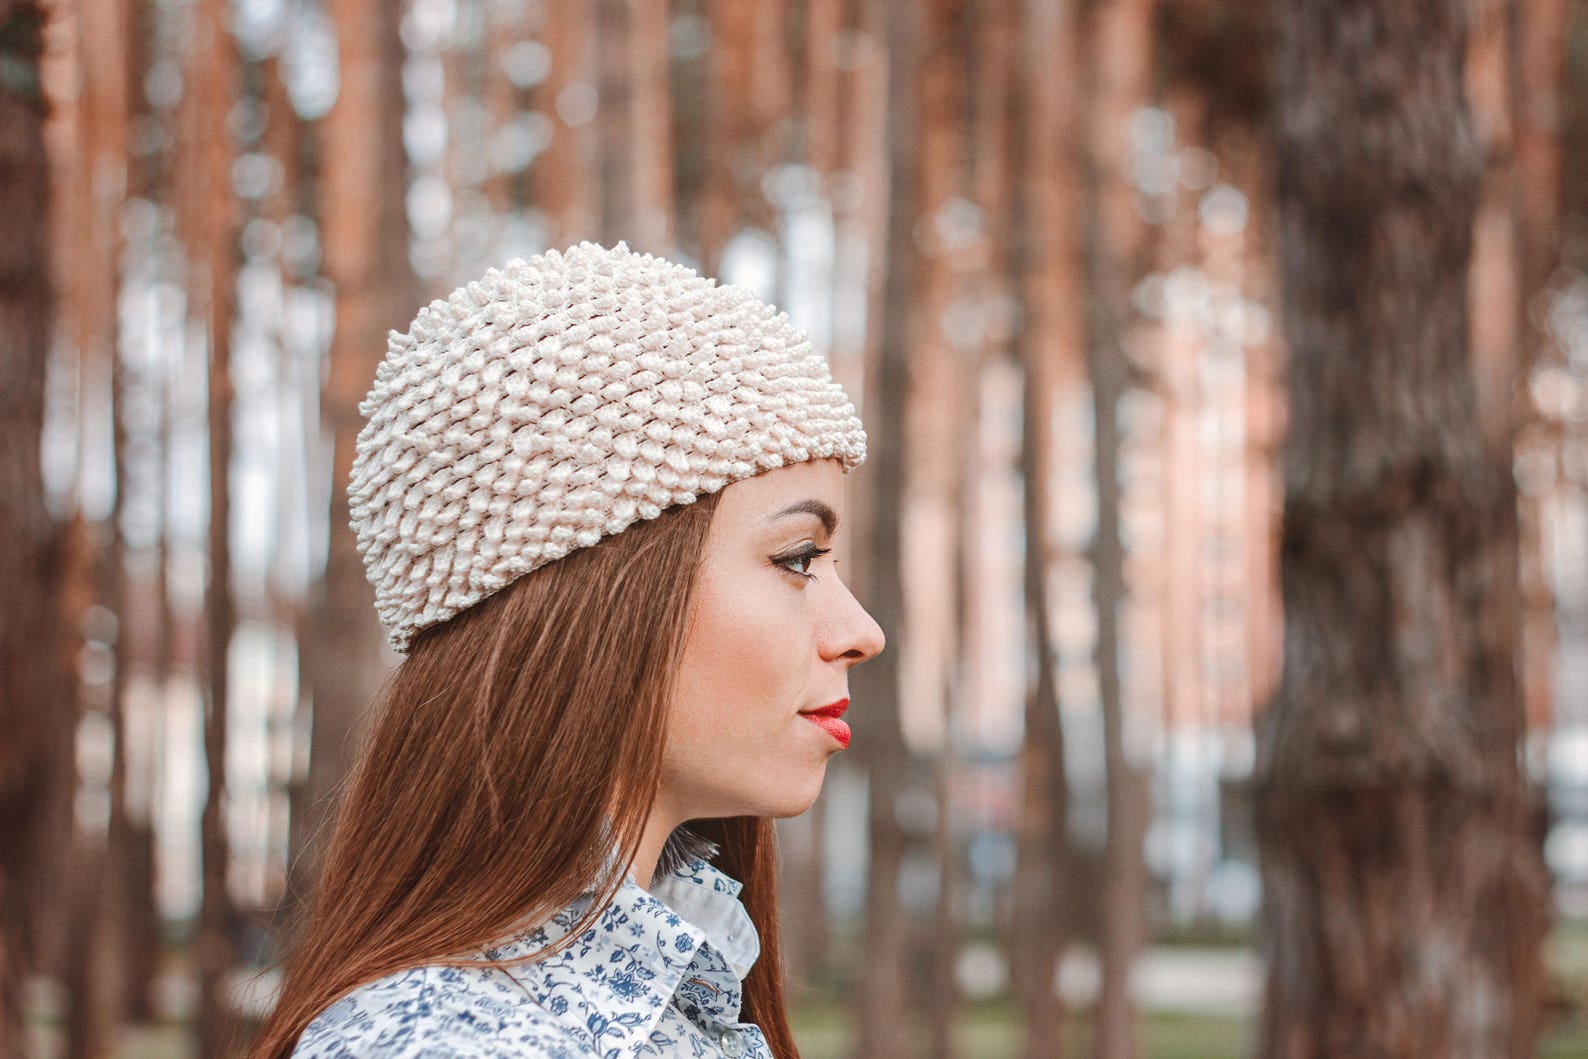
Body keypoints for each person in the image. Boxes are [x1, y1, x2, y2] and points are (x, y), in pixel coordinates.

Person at [252, 241, 886, 1058]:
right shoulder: (451, 1043)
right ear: (599, 595)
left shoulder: (670, 984)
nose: (861, 631)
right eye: (797, 558)